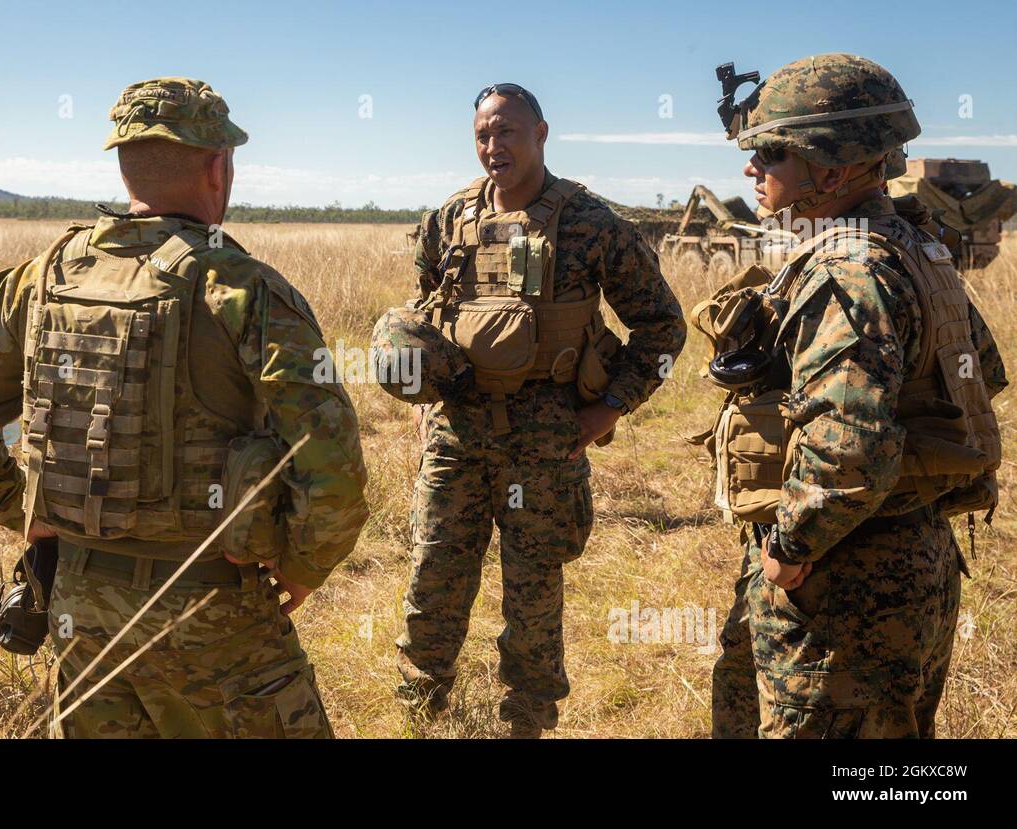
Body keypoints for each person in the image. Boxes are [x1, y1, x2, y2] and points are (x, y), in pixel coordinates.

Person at [0, 77, 370, 738]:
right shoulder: (243, 289)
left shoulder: (45, 276)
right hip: (213, 615)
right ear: (217, 166)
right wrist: (303, 565)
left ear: (124, 163)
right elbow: (334, 464)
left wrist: (25, 514)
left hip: (79, 610)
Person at [703, 53, 1006, 738]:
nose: (752, 167)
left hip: (844, 575)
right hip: (907, 551)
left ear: (833, 169)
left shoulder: (848, 270)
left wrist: (788, 546)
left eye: (772, 151)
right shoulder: (913, 246)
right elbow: (976, 373)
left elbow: (850, 447)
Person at [396, 83, 687, 737]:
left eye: (507, 131)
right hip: (457, 435)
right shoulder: (447, 220)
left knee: (533, 589)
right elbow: (425, 313)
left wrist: (610, 408)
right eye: (482, 134)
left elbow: (664, 328)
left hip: (548, 442)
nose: (493, 146)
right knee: (434, 572)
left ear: (541, 133)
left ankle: (527, 717)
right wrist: (425, 396)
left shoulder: (590, 222)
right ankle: (419, 708)